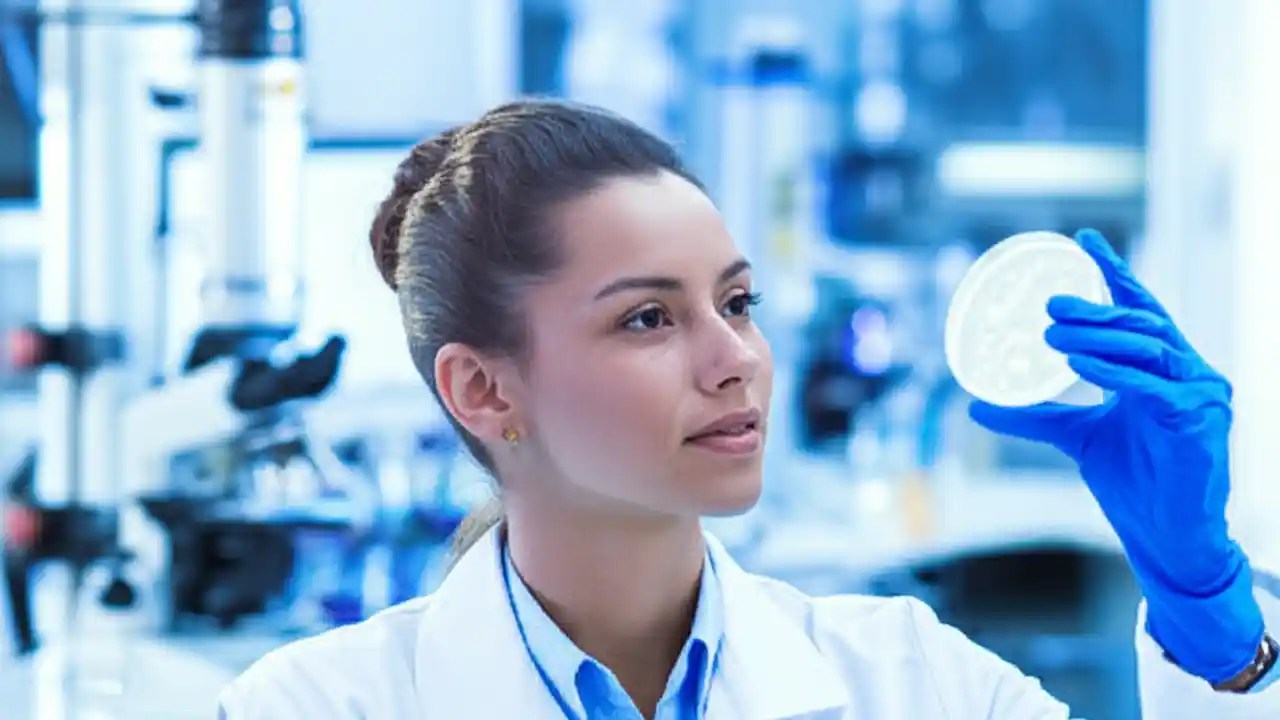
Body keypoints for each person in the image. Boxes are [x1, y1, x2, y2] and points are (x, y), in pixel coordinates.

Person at [217, 100, 1279, 719]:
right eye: (646, 319)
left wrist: (1207, 613)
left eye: (736, 303)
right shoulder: (313, 708)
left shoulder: (910, 684)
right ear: (483, 389)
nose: (737, 362)